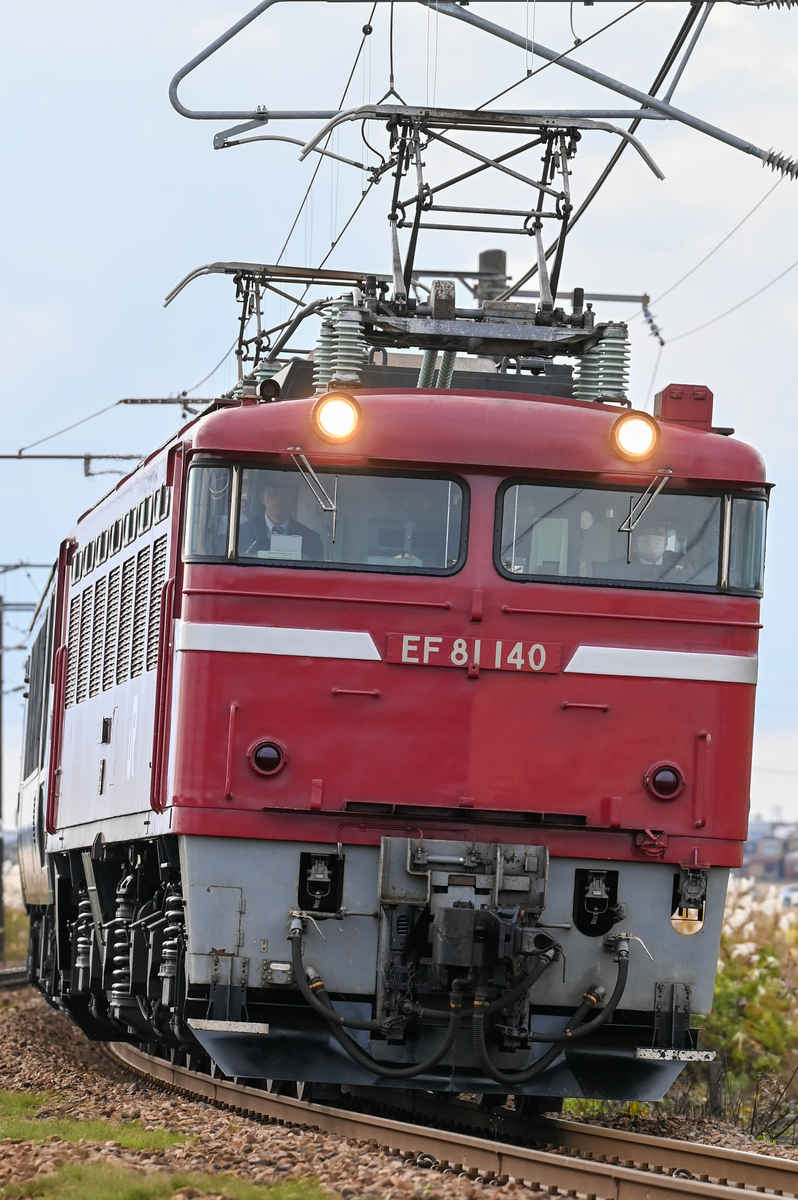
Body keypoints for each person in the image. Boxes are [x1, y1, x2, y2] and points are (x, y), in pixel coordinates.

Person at [238, 473, 325, 561]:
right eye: (273, 493)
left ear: (295, 500)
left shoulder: (312, 540)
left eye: (286, 494)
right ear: (262, 498)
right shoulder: (241, 534)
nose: (279, 499)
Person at [603, 518, 692, 581]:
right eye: (644, 533)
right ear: (634, 541)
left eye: (657, 533)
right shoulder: (617, 568)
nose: (651, 538)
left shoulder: (681, 562)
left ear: (666, 540)